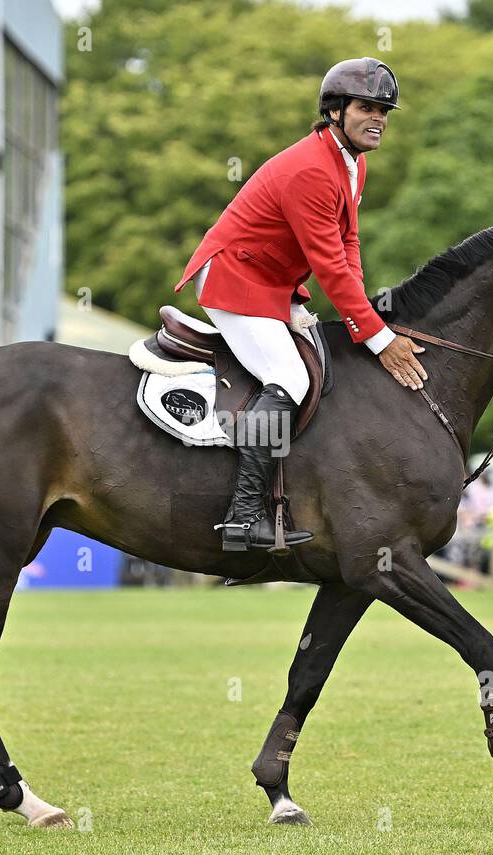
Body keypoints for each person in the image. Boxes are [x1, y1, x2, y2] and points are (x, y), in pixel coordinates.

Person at [173, 57, 425, 552]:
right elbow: (329, 268)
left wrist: (366, 315)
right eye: (366, 108)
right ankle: (244, 518)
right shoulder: (311, 170)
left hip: (270, 281)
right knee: (290, 378)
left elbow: (348, 244)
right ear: (335, 111)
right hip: (236, 279)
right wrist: (379, 338)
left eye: (384, 111)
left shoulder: (353, 162)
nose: (379, 119)